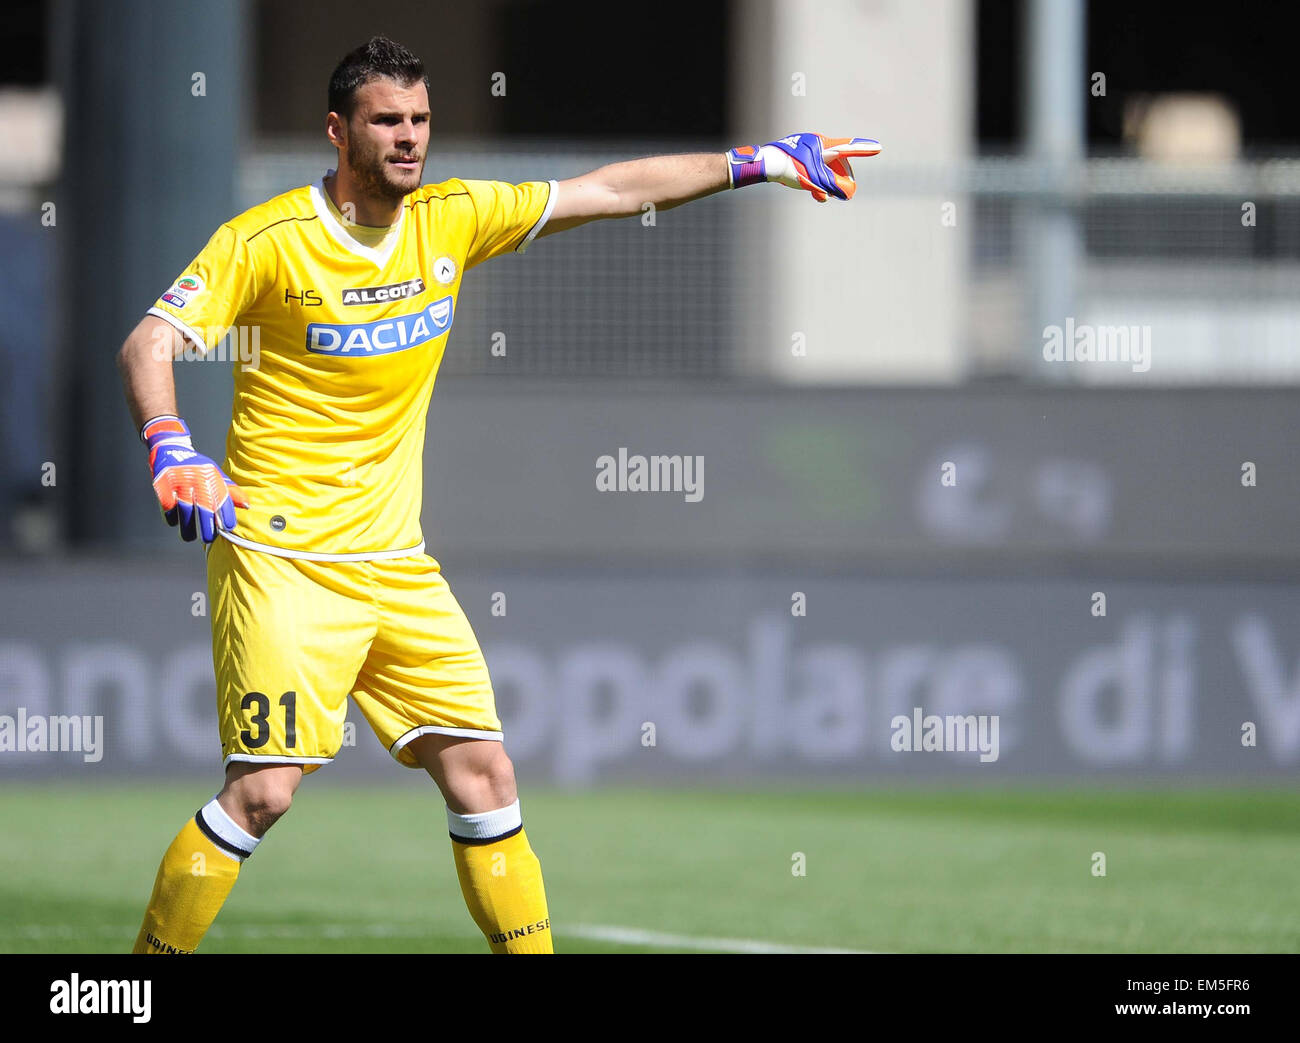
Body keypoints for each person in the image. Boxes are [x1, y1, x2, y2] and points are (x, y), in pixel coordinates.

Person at [116, 34, 879, 955]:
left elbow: (611, 191)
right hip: (284, 558)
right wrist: (172, 445)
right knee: (265, 790)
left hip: (395, 562)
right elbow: (148, 342)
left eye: (420, 120)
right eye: (386, 121)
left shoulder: (453, 217)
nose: (409, 138)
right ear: (337, 130)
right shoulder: (267, 240)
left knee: (485, 773)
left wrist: (756, 162)